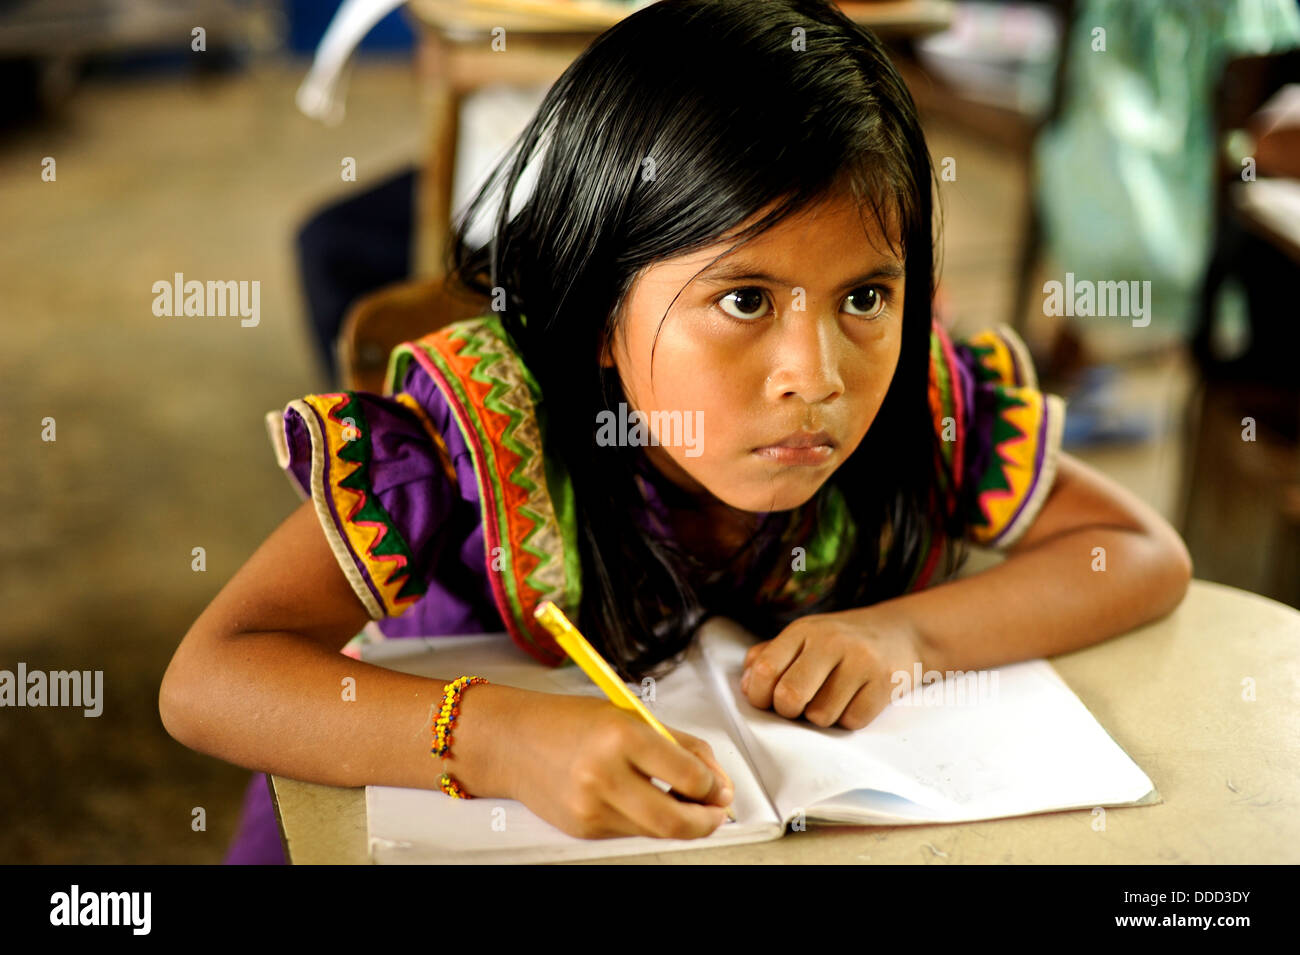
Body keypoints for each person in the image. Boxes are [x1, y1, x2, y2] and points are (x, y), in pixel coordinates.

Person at [159, 0, 1193, 865]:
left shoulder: (927, 399)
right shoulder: (470, 435)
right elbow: (214, 675)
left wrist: (910, 635)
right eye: (744, 302)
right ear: (600, 307)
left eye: (866, 296)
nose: (817, 377)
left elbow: (1139, 554)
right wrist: (493, 737)